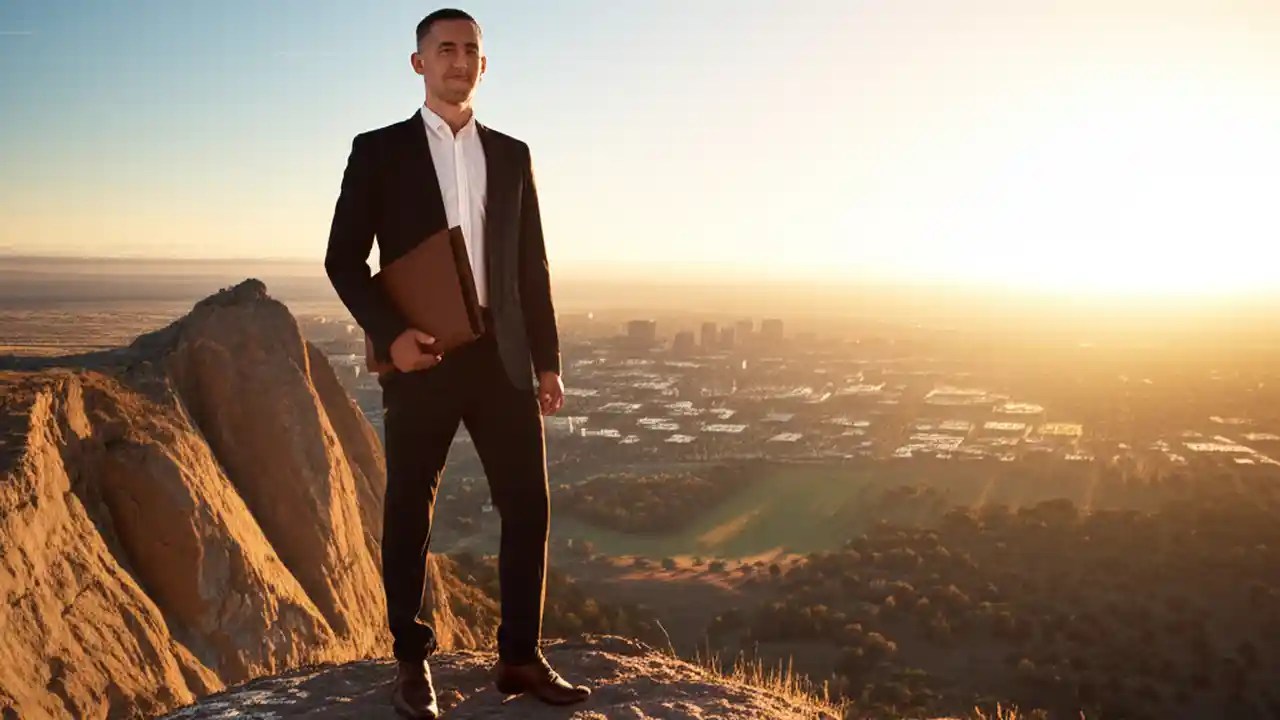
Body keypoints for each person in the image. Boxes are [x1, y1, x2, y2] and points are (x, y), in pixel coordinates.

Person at [323, 8, 590, 718]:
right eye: (445, 48)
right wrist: (392, 337)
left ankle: (520, 656)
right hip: (425, 352)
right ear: (419, 63)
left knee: (528, 504)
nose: (459, 59)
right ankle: (411, 662)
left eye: (471, 49)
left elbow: (531, 266)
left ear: (483, 63)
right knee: (410, 506)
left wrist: (547, 360)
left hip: (503, 354)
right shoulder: (378, 150)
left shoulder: (512, 154)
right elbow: (343, 260)